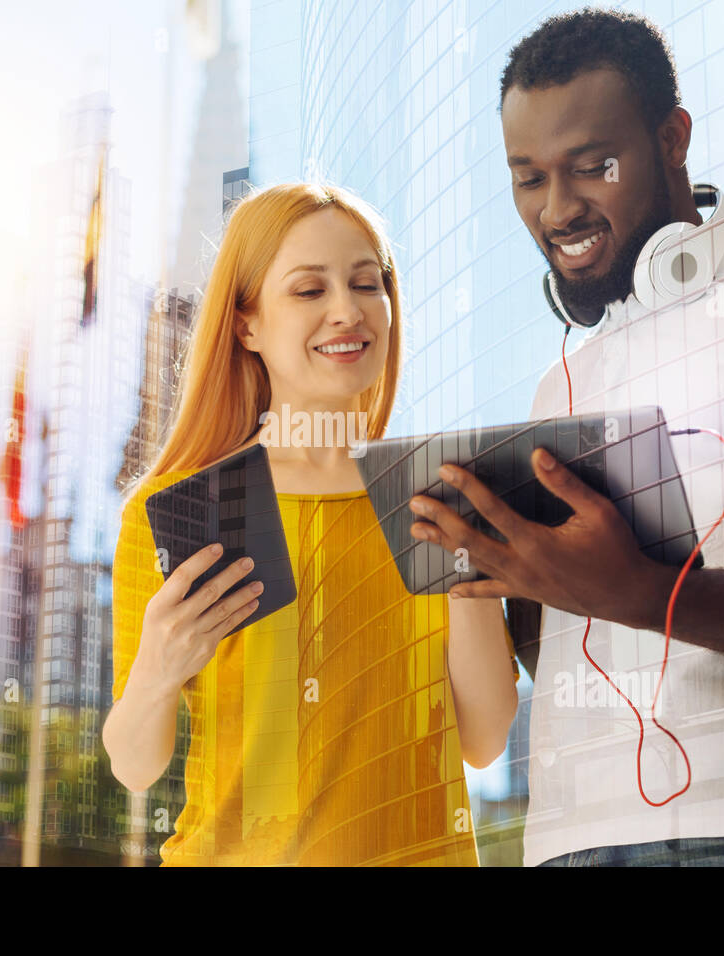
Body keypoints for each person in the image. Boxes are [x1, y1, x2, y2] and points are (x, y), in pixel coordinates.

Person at [408, 8, 724, 867]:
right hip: (562, 845)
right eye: (528, 178)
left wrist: (647, 591)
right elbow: (566, 643)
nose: (557, 208)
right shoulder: (558, 383)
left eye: (590, 167)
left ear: (672, 138)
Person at [102, 181, 520, 866]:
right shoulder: (185, 510)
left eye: (366, 284)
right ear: (247, 324)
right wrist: (157, 668)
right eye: (308, 291)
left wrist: (464, 558)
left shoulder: (439, 495)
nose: (347, 311)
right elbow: (134, 766)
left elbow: (485, 736)